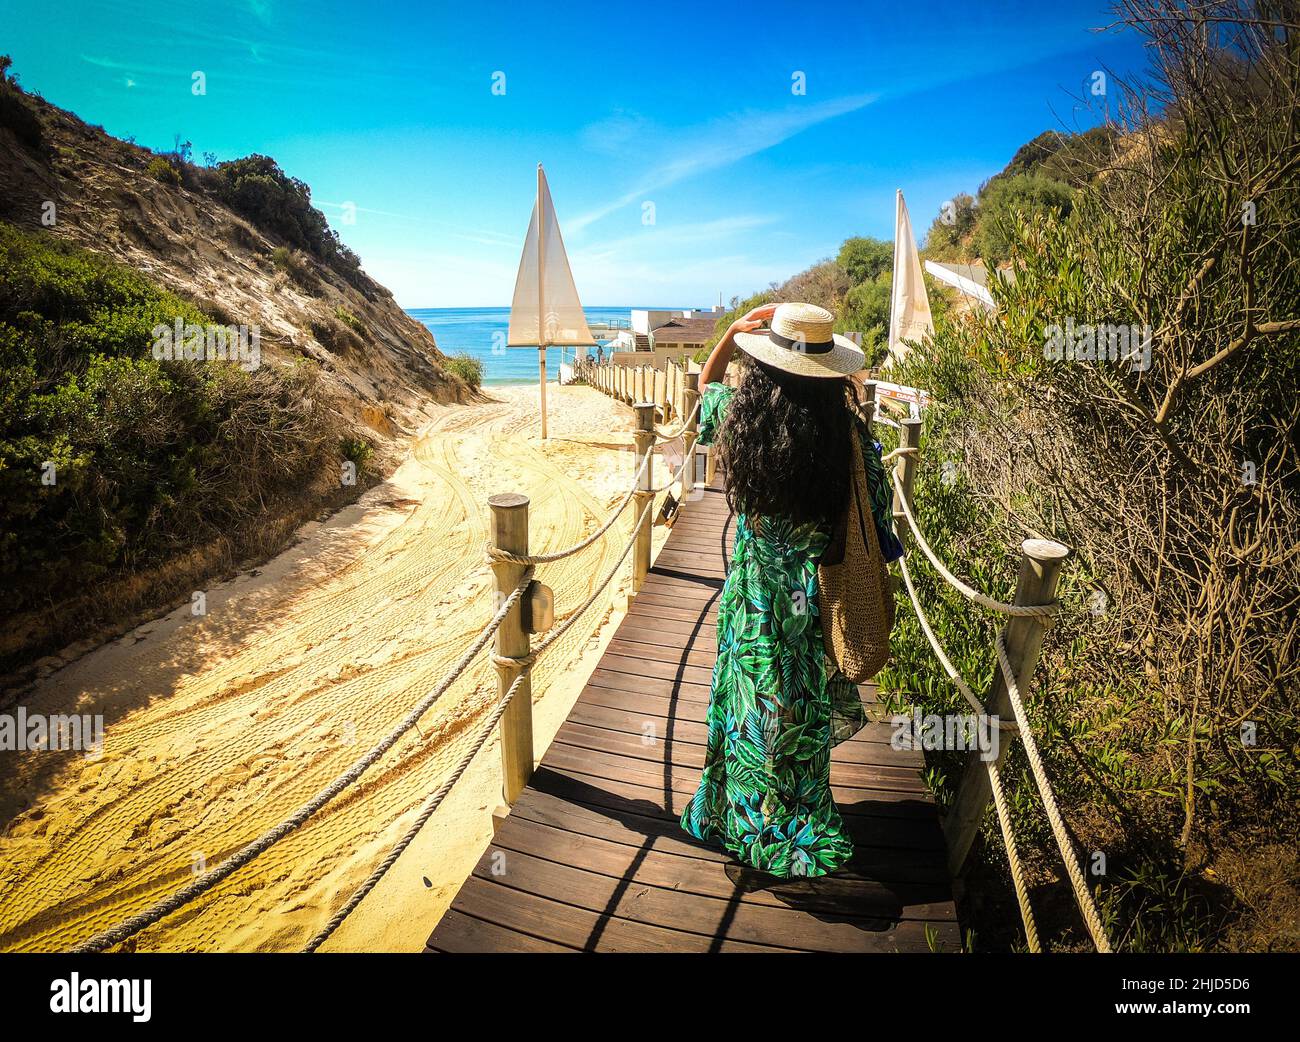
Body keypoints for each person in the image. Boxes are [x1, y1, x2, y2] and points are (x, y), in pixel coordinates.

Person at [679, 302, 904, 879]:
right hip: (808, 599)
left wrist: (730, 334)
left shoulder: (741, 423)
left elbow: (705, 388)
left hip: (754, 594)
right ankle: (795, 811)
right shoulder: (847, 435)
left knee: (746, 700)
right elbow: (876, 511)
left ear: (765, 367)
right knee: (796, 704)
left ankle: (743, 813)